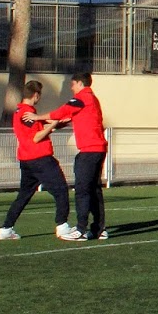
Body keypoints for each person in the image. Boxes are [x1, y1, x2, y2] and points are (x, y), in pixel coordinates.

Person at [0, 80, 74, 241]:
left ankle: (6, 228)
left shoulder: (21, 111)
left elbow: (42, 126)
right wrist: (52, 123)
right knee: (61, 189)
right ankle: (62, 226)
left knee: (24, 195)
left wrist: (59, 122)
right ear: (36, 95)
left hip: (26, 160)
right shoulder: (27, 113)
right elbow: (36, 137)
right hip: (40, 158)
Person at [45, 71, 107, 240]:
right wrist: (53, 123)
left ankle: (80, 229)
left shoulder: (82, 97)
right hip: (97, 148)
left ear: (80, 83)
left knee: (82, 189)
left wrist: (38, 117)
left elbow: (61, 112)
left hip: (89, 150)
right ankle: (99, 229)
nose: (71, 88)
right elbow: (67, 117)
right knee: (94, 189)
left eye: (72, 84)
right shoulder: (92, 99)